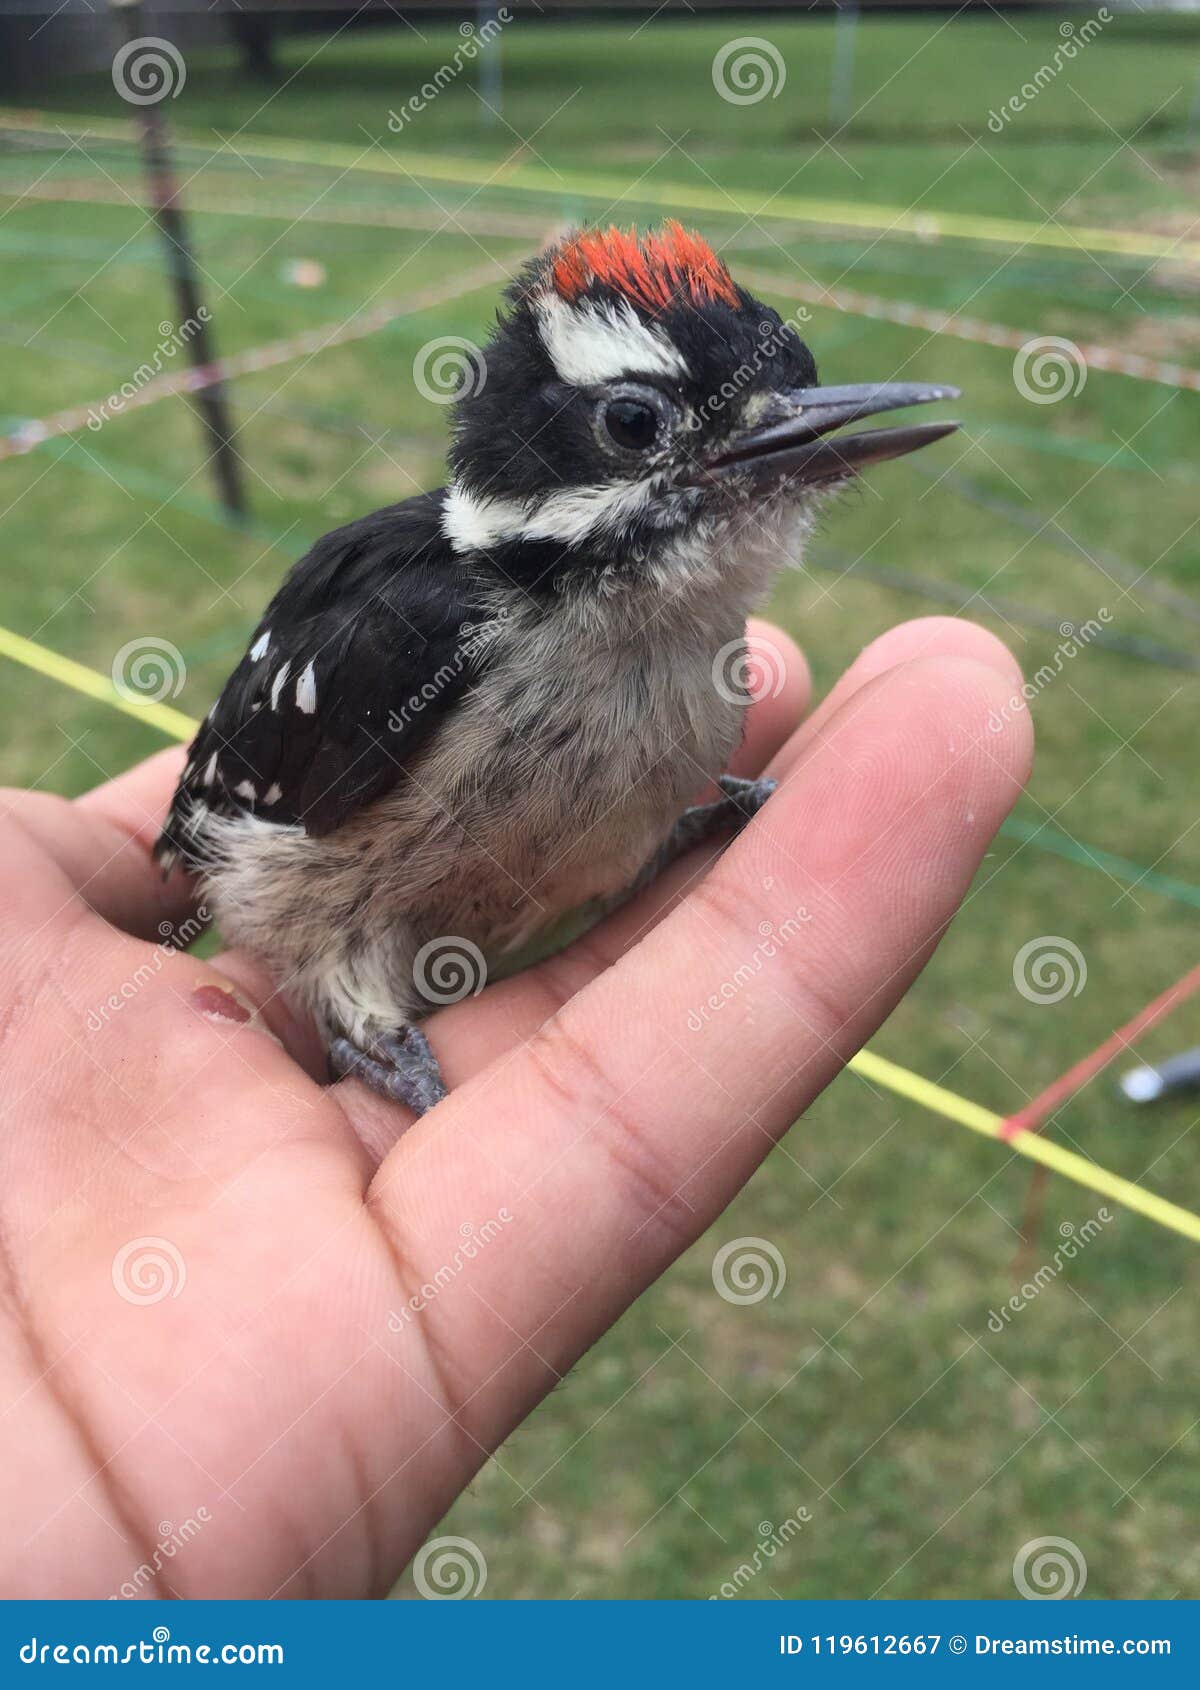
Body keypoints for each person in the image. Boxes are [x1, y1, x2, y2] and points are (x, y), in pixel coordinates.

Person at [0, 615, 1030, 1598]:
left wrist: (652, 826)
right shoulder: (421, 634)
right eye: (638, 426)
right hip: (320, 915)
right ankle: (361, 1012)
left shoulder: (688, 657)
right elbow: (240, 839)